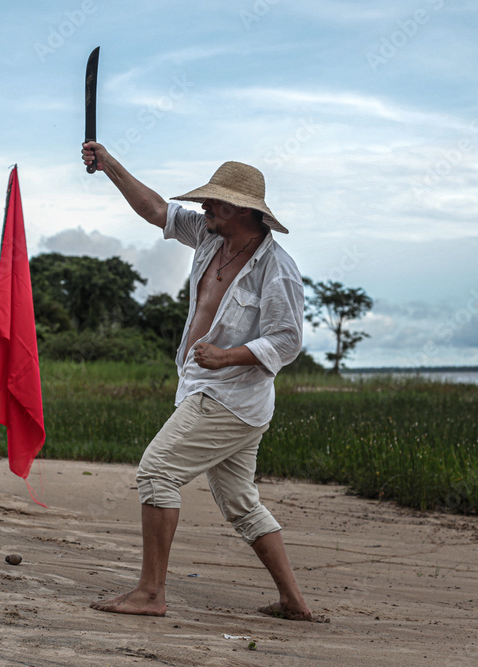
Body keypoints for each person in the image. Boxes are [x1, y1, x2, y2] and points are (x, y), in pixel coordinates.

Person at [81, 141, 312, 621]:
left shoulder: (277, 269)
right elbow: (156, 211)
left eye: (214, 201)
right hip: (207, 393)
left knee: (157, 472)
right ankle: (294, 602)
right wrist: (109, 165)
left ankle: (151, 593)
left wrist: (227, 357)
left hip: (229, 398)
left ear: (244, 211)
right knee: (241, 503)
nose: (203, 206)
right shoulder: (210, 238)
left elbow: (287, 341)